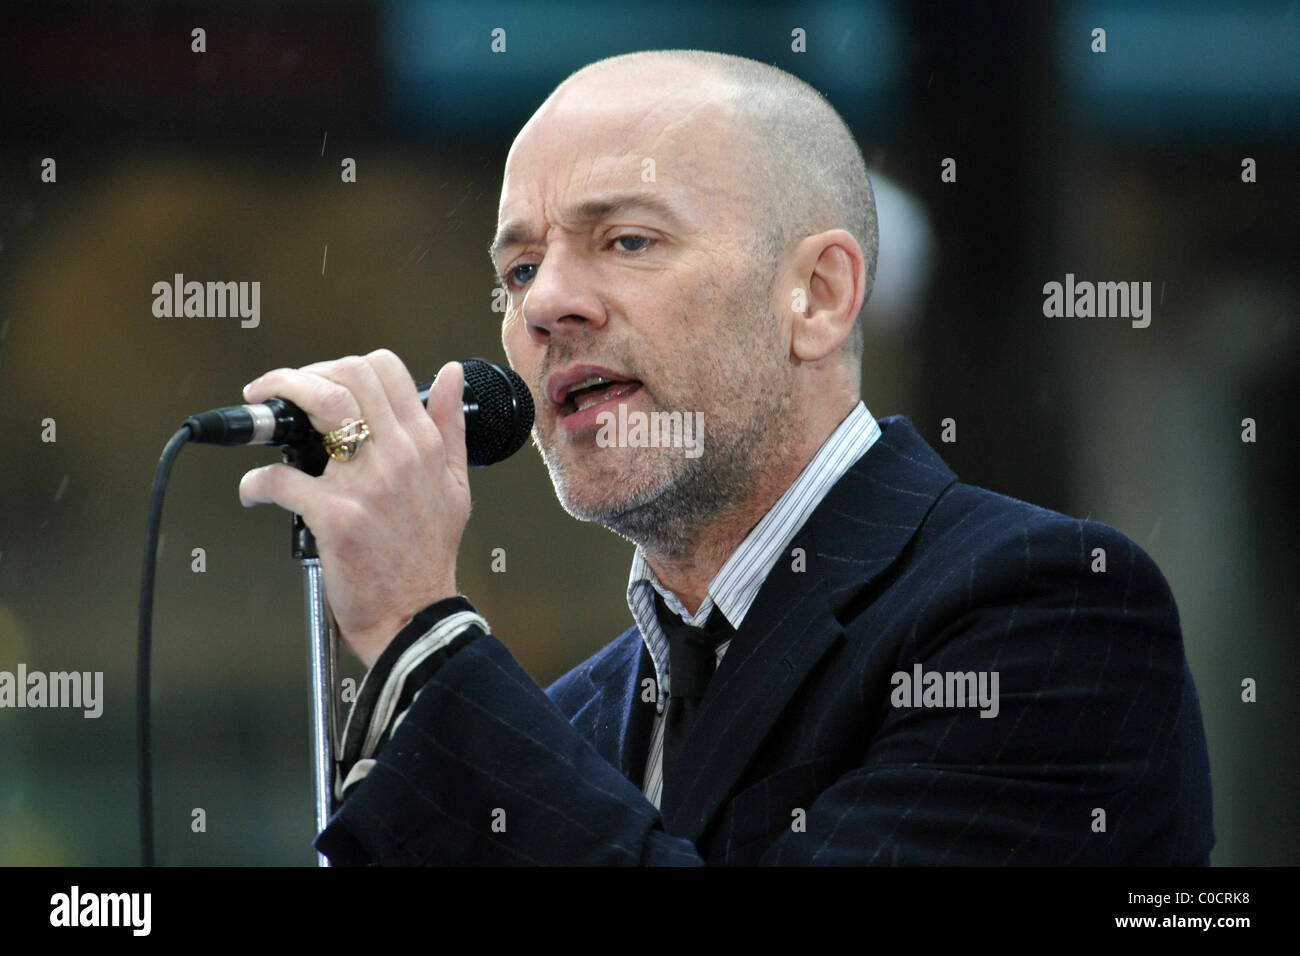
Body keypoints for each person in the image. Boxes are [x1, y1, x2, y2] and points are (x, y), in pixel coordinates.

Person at [238, 50, 1214, 865]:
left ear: (819, 295)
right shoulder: (566, 717)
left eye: (624, 239)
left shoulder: (1054, 612)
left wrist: (418, 628)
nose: (543, 305)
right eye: (520, 268)